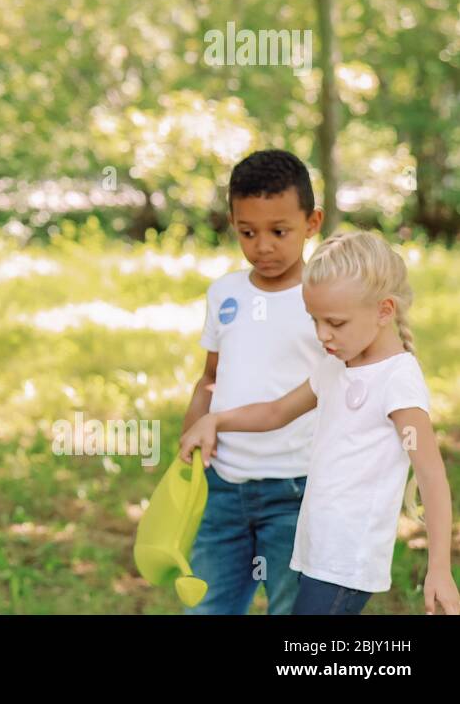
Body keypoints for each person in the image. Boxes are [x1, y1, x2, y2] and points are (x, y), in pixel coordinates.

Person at [181, 230, 459, 615]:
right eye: (315, 320)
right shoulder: (334, 367)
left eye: (336, 323)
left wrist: (439, 570)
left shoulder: (396, 381)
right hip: (315, 548)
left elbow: (431, 476)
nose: (322, 335)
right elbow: (276, 412)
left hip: (347, 562)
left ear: (384, 311)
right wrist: (216, 419)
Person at [179, 150, 325, 614]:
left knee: (291, 607)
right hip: (223, 485)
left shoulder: (325, 297)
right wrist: (191, 434)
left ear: (312, 221)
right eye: (248, 232)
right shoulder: (225, 293)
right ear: (233, 223)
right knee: (207, 605)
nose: (263, 246)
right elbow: (210, 378)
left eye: (279, 231)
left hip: (296, 488)